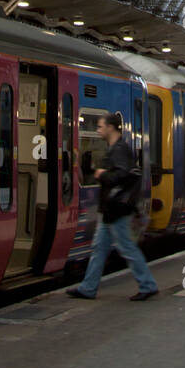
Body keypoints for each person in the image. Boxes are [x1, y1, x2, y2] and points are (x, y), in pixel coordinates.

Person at [67, 114, 159, 301]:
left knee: (126, 247)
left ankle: (148, 285)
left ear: (110, 127)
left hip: (117, 209)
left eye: (100, 126)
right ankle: (88, 288)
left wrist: (102, 174)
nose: (98, 130)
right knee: (99, 248)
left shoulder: (119, 149)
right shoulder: (116, 148)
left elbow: (123, 175)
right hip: (110, 209)